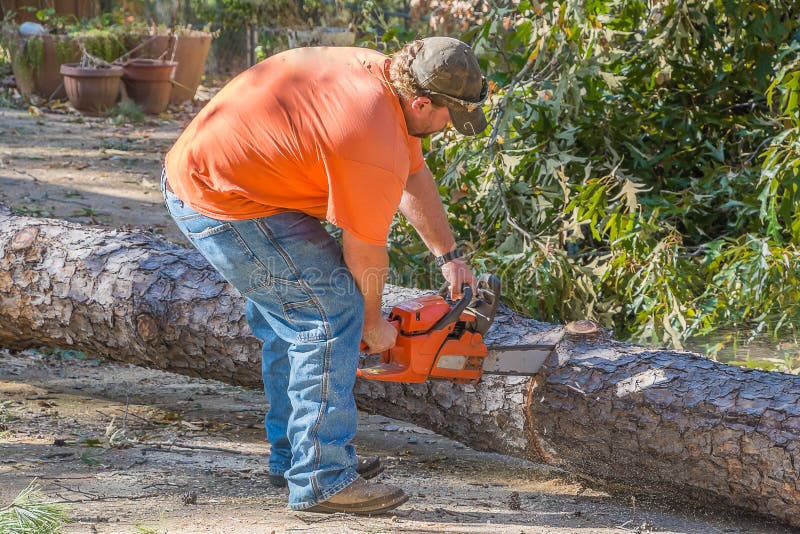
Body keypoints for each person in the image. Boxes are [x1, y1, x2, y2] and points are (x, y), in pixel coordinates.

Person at [160, 36, 488, 515]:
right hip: (223, 200)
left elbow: (413, 177)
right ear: (421, 102)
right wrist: (373, 324)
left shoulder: (391, 83)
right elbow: (365, 250)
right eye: (449, 118)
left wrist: (449, 255)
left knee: (289, 319)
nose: (450, 128)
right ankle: (323, 479)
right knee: (332, 317)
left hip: (235, 181)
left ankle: (295, 456)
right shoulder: (368, 133)